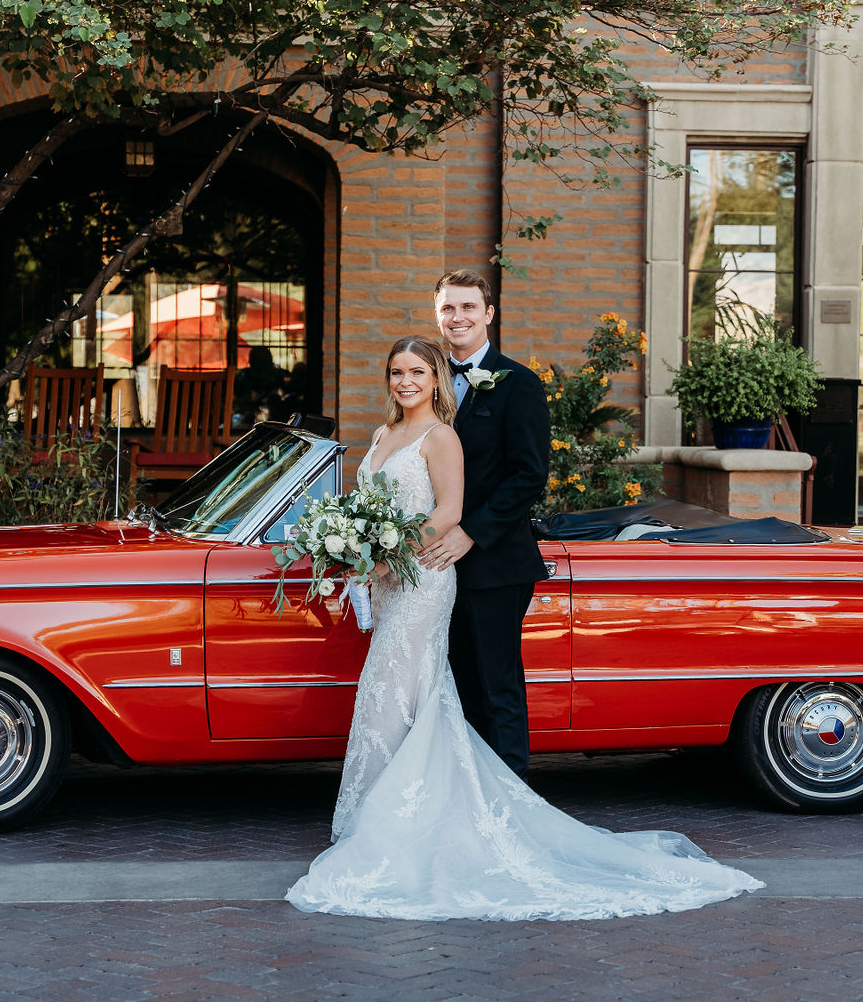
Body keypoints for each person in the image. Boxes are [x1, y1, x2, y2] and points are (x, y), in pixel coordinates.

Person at [285, 334, 761, 920]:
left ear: (436, 379)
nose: (405, 382)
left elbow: (449, 511)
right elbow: (369, 506)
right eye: (396, 372)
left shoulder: (442, 436)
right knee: (400, 697)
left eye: (417, 372)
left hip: (422, 577)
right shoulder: (383, 435)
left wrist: (389, 554)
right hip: (388, 584)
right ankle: (389, 817)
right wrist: (353, 544)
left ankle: (418, 822)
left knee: (402, 693)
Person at [417, 268, 547, 777]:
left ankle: (511, 798)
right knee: (457, 686)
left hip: (495, 563)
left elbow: (529, 475)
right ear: (437, 315)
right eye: (448, 308)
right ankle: (470, 792)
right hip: (434, 565)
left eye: (468, 307)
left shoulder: (519, 384)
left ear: (488, 313)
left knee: (498, 686)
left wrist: (469, 533)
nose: (458, 317)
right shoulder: (425, 381)